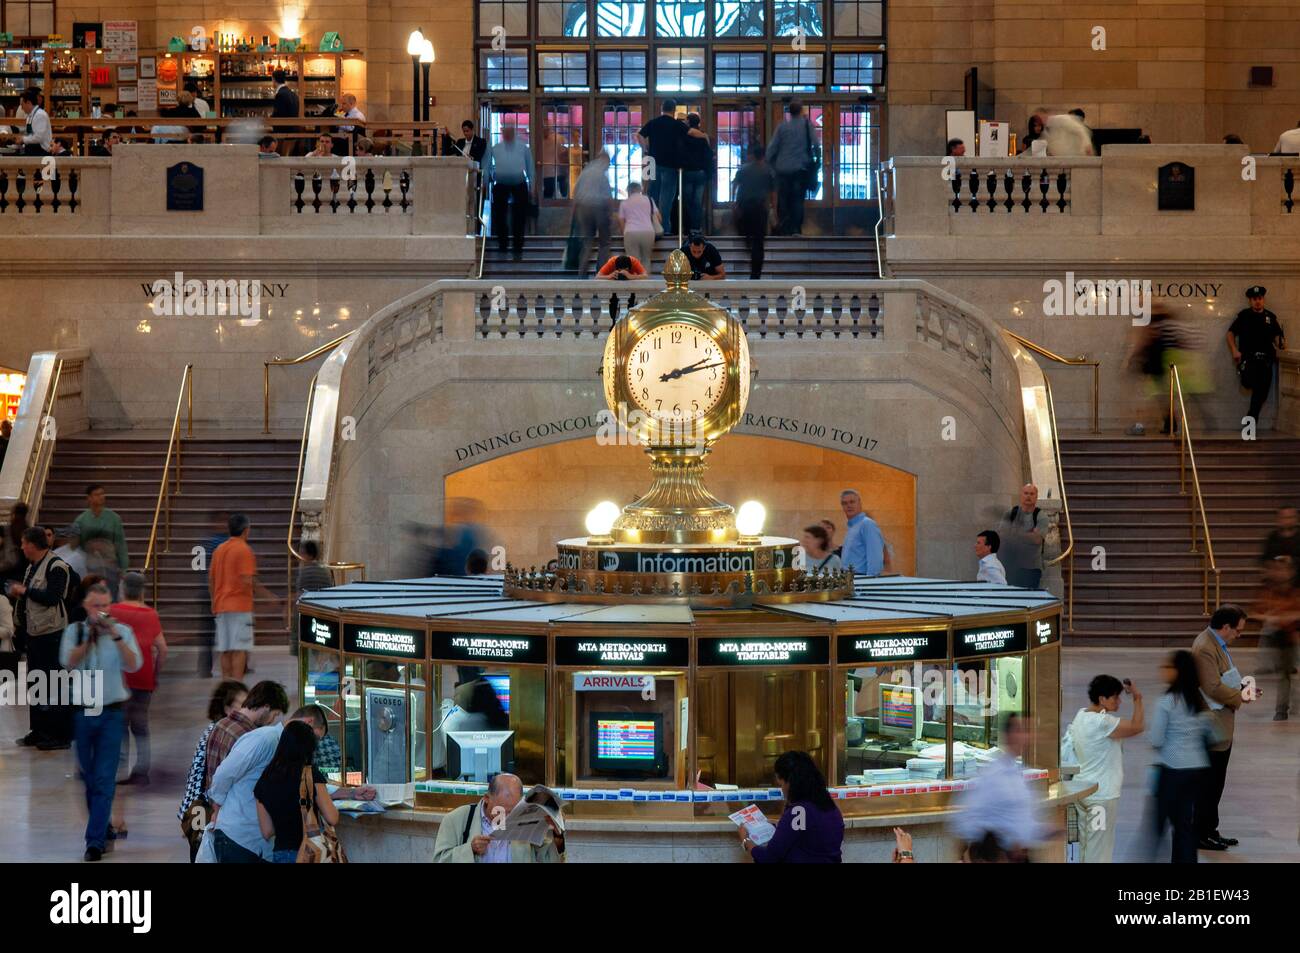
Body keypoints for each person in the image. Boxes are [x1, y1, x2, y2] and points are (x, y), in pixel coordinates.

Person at [206, 705, 374, 863]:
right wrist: (216, 808)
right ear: (308, 727)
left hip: (268, 849)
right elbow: (223, 774)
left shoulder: (264, 781)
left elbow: (267, 831)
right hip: (241, 840)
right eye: (315, 739)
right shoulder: (265, 739)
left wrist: (350, 793)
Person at [59, 583, 141, 861]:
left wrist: (115, 635)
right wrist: (90, 638)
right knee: (88, 777)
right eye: (97, 606)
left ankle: (93, 841)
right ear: (86, 607)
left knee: (105, 778)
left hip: (112, 713)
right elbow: (67, 661)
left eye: (106, 605)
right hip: (83, 712)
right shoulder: (75, 631)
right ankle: (102, 826)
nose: (102, 611)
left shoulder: (123, 632)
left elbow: (134, 664)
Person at [1193, 604, 1258, 851]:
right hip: (1211, 725)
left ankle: (1210, 829)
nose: (1238, 636)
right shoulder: (1205, 648)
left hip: (1221, 724)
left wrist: (1242, 688)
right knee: (1208, 784)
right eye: (1237, 631)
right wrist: (1240, 697)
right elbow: (1212, 688)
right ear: (1225, 627)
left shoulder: (1216, 644)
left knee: (1216, 782)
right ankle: (1200, 833)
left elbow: (1224, 678)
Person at [1146, 651, 1220, 863]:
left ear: (1177, 672)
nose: (1163, 670)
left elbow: (1156, 739)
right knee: (1185, 825)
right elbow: (1213, 734)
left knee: (1159, 826)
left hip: (1172, 769)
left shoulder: (1167, 701)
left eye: (1168, 667)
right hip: (1197, 769)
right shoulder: (1199, 699)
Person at [1064, 674, 1144, 863]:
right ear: (1102, 699)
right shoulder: (1102, 723)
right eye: (1115, 697)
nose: (1119, 701)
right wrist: (1138, 698)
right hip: (1101, 799)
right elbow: (1137, 726)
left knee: (1085, 846)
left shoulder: (1081, 715)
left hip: (1082, 793)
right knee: (1098, 851)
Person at [950, 713, 1045, 861]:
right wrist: (998, 843)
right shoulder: (993, 776)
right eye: (1020, 731)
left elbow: (1024, 821)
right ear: (1008, 736)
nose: (1026, 737)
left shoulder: (1017, 775)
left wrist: (1048, 832)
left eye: (1028, 731)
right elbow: (966, 820)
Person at [11, 526, 73, 750]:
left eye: (24, 542)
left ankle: (59, 735)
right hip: (35, 634)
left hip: (52, 635)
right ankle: (39, 730)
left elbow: (52, 598)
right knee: (35, 684)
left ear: (33, 544)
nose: (21, 547)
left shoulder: (57, 567)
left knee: (54, 685)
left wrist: (25, 591)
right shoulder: (32, 567)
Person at [179, 679, 247, 862]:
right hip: (203, 808)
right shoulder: (220, 732)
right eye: (242, 704)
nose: (246, 709)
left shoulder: (217, 728)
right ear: (227, 708)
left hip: (197, 807)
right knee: (203, 853)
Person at [111, 571, 167, 786]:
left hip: (120, 676)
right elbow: (162, 649)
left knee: (120, 724)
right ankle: (142, 768)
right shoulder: (151, 614)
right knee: (141, 724)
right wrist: (156, 674)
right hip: (144, 675)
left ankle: (121, 769)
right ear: (142, 590)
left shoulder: (113, 612)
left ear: (123, 588)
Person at [433, 772, 565, 862]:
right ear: (486, 798)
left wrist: (558, 838)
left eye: (513, 811)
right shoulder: (456, 819)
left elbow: (547, 859)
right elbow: (438, 860)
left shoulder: (525, 820)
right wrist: (470, 849)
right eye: (501, 810)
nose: (507, 818)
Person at [255, 721, 338, 863]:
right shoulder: (310, 775)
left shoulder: (263, 781)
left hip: (281, 854)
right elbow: (332, 818)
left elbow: (267, 831)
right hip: (310, 852)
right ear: (309, 747)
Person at [739, 750, 843, 863]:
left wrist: (746, 840)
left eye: (781, 784)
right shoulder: (829, 805)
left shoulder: (798, 811)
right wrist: (782, 825)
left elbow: (768, 858)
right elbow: (809, 832)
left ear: (790, 782)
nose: (782, 789)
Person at [209, 513, 271, 680]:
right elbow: (247, 579)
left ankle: (226, 685)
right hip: (239, 607)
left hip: (221, 606)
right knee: (239, 649)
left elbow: (211, 579)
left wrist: (214, 601)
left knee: (225, 649)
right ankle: (236, 686)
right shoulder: (244, 550)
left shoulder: (219, 550)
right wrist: (267, 596)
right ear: (246, 530)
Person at [203, 679, 289, 794]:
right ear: (266, 707)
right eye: (275, 715)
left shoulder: (220, 724)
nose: (272, 721)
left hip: (214, 802)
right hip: (230, 806)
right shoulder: (249, 736)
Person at [1227, 286, 1287, 427]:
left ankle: (1250, 423)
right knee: (1250, 385)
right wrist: (1234, 350)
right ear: (1250, 301)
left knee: (1261, 394)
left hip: (1265, 362)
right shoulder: (1244, 316)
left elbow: (1278, 337)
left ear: (1263, 299)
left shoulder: (1270, 317)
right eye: (1254, 299)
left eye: (1260, 298)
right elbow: (1230, 334)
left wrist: (1281, 343)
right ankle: (1250, 423)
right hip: (1249, 360)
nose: (1257, 302)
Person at [1254, 555, 1300, 721]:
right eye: (1277, 569)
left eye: (1284, 570)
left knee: (1285, 674)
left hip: (1291, 637)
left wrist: (1287, 616)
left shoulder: (1294, 591)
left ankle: (1282, 709)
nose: (1280, 573)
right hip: (1276, 636)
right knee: (1284, 672)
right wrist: (1269, 617)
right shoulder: (1269, 590)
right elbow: (1259, 611)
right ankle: (1291, 700)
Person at [485, 123, 534, 261]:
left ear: (513, 133)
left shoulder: (523, 148)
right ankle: (502, 246)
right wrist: (485, 182)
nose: (507, 134)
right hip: (501, 183)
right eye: (505, 132)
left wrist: (532, 186)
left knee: (519, 218)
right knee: (500, 216)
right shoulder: (496, 148)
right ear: (502, 133)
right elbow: (487, 165)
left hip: (519, 182)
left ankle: (517, 249)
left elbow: (530, 168)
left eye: (510, 132)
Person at [766, 101, 816, 235]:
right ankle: (796, 229)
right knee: (798, 199)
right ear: (800, 111)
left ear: (789, 112)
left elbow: (771, 149)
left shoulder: (782, 127)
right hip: (800, 169)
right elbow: (816, 144)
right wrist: (816, 161)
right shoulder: (807, 125)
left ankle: (785, 228)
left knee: (784, 200)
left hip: (782, 170)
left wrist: (772, 166)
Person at [638, 100, 687, 229]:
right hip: (670, 165)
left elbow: (639, 135)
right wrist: (704, 136)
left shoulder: (653, 123)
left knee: (652, 195)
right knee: (666, 200)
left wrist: (645, 149)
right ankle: (664, 229)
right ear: (674, 110)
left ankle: (650, 226)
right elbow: (690, 134)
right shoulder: (677, 125)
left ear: (662, 108)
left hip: (652, 164)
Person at [732, 148, 775, 279]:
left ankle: (747, 239)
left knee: (748, 231)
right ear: (763, 157)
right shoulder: (768, 171)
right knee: (759, 241)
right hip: (760, 208)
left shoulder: (743, 169)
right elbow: (773, 191)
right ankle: (755, 274)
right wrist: (774, 208)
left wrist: (734, 202)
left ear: (752, 156)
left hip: (745, 206)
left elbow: (735, 185)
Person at [573, 151, 613, 278]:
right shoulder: (602, 174)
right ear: (605, 160)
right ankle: (601, 272)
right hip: (599, 208)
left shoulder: (586, 171)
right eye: (609, 163)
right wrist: (611, 213)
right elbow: (607, 197)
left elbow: (576, 191)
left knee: (587, 241)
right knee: (605, 242)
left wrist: (574, 212)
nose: (608, 166)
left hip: (583, 208)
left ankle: (581, 273)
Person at [998, 484, 1045, 588]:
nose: (1028, 496)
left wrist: (1015, 533)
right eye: (1026, 493)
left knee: (1029, 601)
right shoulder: (1010, 513)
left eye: (1032, 494)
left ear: (1036, 497)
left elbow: (1037, 539)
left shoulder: (1041, 516)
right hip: (1010, 566)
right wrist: (1029, 534)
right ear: (1021, 495)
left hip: (1031, 568)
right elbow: (1002, 536)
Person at [74, 484, 129, 573]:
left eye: (102, 494)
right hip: (88, 566)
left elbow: (120, 544)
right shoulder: (81, 520)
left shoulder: (114, 518)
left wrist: (123, 568)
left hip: (110, 565)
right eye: (97, 494)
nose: (101, 497)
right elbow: (77, 546)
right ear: (89, 498)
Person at [839, 489, 890, 576]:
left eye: (852, 502)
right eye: (845, 503)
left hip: (860, 580)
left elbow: (875, 558)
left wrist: (869, 584)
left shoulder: (867, 524)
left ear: (859, 503)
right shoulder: (852, 526)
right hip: (849, 579)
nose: (848, 506)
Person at [681, 112, 712, 233]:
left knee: (687, 201)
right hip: (701, 172)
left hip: (688, 172)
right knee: (697, 202)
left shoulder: (684, 137)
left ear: (688, 122)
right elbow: (708, 156)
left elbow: (681, 154)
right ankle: (696, 227)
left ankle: (687, 227)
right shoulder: (704, 137)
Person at [617, 181, 659, 269]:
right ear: (640, 190)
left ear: (628, 191)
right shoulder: (649, 200)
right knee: (646, 259)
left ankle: (635, 281)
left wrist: (624, 233)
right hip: (648, 232)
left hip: (631, 232)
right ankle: (645, 280)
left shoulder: (624, 203)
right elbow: (659, 217)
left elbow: (621, 221)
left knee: (633, 260)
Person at [271, 68, 299, 153]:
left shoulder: (280, 94)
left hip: (282, 136)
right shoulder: (293, 94)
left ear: (274, 79)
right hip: (292, 135)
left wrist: (268, 121)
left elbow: (278, 115)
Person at [540, 126, 571, 199]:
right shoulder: (541, 140)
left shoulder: (558, 138)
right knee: (550, 193)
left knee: (553, 194)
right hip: (549, 172)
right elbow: (564, 152)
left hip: (556, 171)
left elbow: (564, 152)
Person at [19, 88, 51, 155]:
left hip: (41, 153)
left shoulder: (40, 115)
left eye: (22, 105)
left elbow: (38, 138)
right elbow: (30, 134)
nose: (21, 108)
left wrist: (23, 139)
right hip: (32, 151)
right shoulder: (30, 116)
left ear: (28, 103)